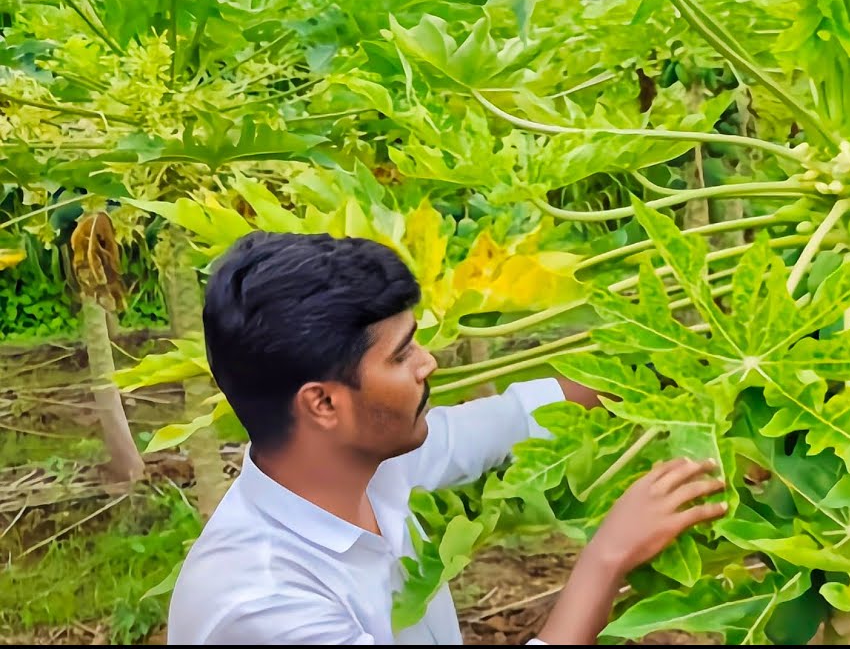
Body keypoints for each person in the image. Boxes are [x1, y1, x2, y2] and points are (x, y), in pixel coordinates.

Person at [166, 232, 726, 645]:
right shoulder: (262, 604)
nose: (427, 362)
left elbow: (515, 418)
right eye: (402, 352)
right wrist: (607, 556)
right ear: (324, 403)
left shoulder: (365, 468)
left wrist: (676, 366)